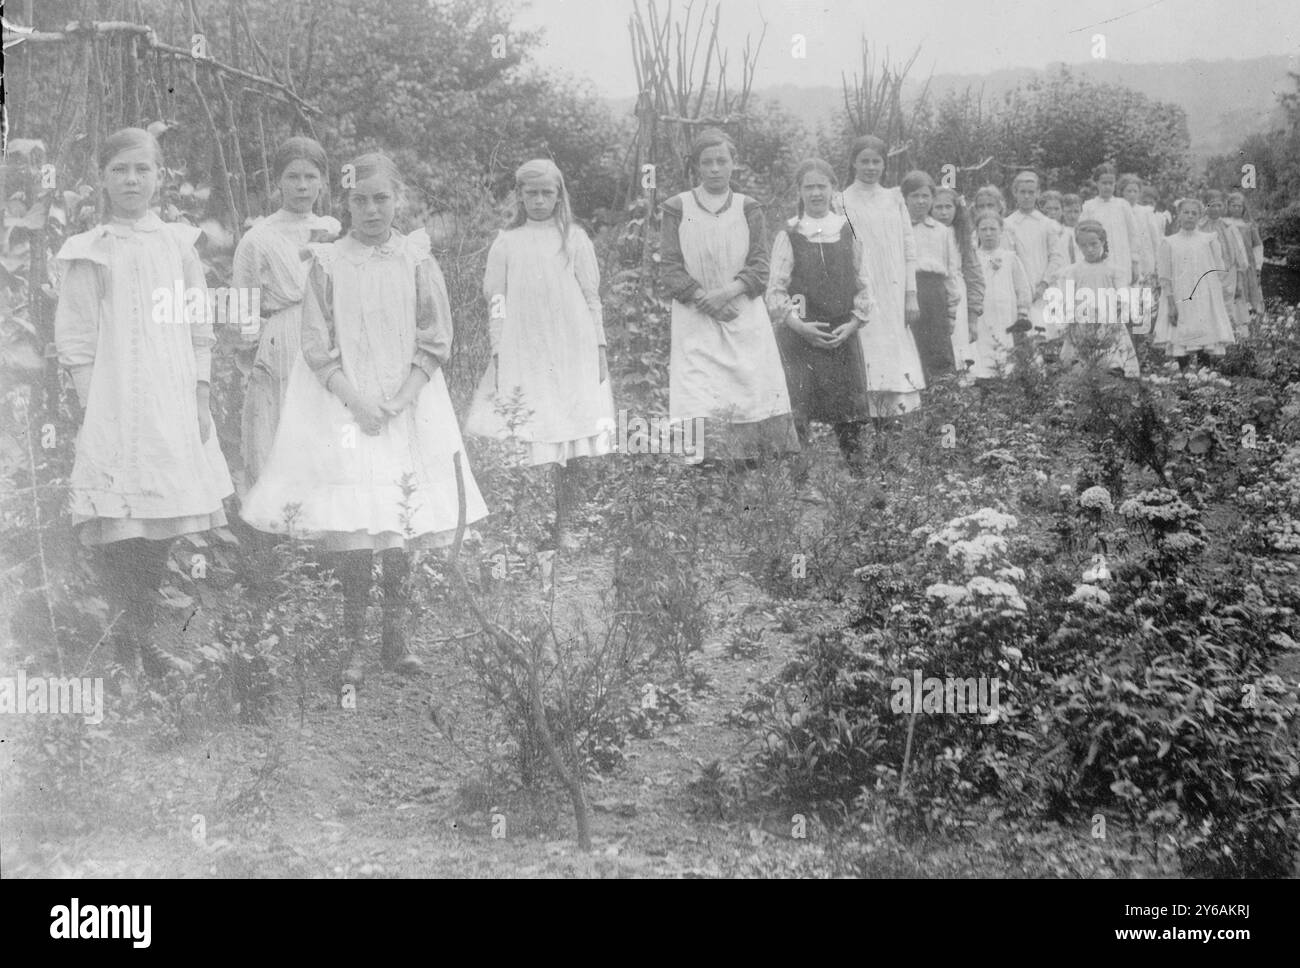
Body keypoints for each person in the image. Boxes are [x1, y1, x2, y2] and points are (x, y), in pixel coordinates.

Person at [241, 153, 489, 686]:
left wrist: (399, 400)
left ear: (398, 201)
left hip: (408, 405)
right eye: (359, 200)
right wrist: (355, 401)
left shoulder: (415, 258)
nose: (371, 210)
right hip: (345, 408)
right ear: (345, 204)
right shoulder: (327, 263)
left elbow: (436, 336)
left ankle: (396, 641)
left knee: (400, 520)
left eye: (381, 199)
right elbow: (315, 343)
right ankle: (353, 643)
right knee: (355, 522)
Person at [54, 127, 233, 677]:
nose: (131, 180)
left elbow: (199, 326)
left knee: (160, 522)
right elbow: (78, 339)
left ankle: (144, 637)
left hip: (170, 400)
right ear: (102, 179)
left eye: (142, 170)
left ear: (159, 177)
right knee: (118, 524)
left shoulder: (178, 245)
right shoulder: (91, 249)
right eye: (119, 171)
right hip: (112, 405)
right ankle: (124, 648)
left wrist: (201, 396)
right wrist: (94, 408)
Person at [465, 159, 614, 548]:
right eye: (531, 193)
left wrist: (599, 346)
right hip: (524, 346)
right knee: (529, 433)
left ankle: (564, 526)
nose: (539, 200)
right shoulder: (507, 242)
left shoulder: (574, 238)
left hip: (571, 345)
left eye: (547, 192)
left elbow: (591, 296)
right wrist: (498, 349)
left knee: (571, 432)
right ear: (519, 196)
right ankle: (524, 527)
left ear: (559, 195)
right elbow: (496, 299)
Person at [659, 128, 799, 464]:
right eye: (706, 162)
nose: (714, 169)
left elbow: (760, 266)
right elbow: (670, 267)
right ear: (696, 166)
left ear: (734, 163)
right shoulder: (677, 207)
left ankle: (747, 469)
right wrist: (702, 298)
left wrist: (726, 293)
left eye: (722, 161)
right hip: (696, 319)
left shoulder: (748, 208)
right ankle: (704, 472)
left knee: (749, 390)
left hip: (742, 315)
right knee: (697, 394)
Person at [232, 136, 340, 492]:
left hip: (327, 336)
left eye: (311, 177)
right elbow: (244, 310)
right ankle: (277, 532)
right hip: (282, 339)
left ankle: (324, 532)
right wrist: (256, 354)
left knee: (325, 429)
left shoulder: (334, 231)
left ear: (323, 181)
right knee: (278, 429)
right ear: (278, 181)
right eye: (293, 177)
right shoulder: (258, 239)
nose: (302, 186)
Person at [767, 158, 875, 469]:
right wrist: (799, 327)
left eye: (821, 186)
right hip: (799, 337)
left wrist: (853, 323)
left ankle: (858, 481)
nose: (815, 193)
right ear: (799, 192)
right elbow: (776, 290)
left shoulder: (847, 230)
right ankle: (801, 485)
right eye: (808, 187)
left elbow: (864, 282)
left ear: (833, 189)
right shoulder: (789, 232)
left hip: (840, 334)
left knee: (849, 416)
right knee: (798, 411)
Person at [838, 135, 925, 423]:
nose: (871, 167)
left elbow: (909, 246)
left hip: (895, 288)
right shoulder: (842, 200)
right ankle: (869, 419)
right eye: (864, 161)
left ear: (884, 165)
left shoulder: (894, 198)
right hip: (863, 287)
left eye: (877, 161)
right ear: (853, 163)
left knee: (894, 347)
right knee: (868, 346)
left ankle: (894, 420)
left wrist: (910, 293)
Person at [1153, 198, 1236, 364]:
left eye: (1194, 213)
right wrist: (1170, 303)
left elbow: (1218, 268)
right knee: (1181, 333)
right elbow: (1165, 276)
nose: (1190, 216)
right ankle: (1184, 375)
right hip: (1180, 295)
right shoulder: (1169, 242)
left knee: (1204, 332)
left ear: (1200, 216)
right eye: (1186, 212)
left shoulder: (1209, 239)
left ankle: (1204, 373)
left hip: (1204, 293)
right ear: (1178, 215)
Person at [1057, 220, 1140, 377]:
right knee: (1080, 365)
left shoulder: (1114, 270)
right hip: (1082, 322)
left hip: (1108, 322)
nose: (1089, 249)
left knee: (1111, 361)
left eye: (1094, 244)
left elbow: (1123, 298)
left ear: (1102, 241)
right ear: (1079, 246)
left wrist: (1114, 321)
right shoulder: (1073, 271)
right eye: (1084, 245)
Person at [901, 170, 962, 380]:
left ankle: (942, 403)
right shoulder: (898, 227)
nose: (920, 201)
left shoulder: (942, 231)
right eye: (914, 196)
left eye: (925, 196)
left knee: (938, 352)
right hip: (905, 292)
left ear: (932, 199)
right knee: (910, 349)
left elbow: (951, 273)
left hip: (934, 296)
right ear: (905, 198)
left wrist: (951, 311)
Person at [970, 210, 1031, 380]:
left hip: (1006, 313)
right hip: (981, 313)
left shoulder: (1010, 258)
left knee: (1005, 353)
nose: (988, 234)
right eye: (984, 229)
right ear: (977, 232)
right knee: (983, 355)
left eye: (993, 229)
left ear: (1001, 231)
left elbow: (1022, 287)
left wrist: (1022, 312)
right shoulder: (972, 258)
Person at [1005, 171, 1066, 338]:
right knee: (1026, 337)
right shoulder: (1008, 224)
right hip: (1021, 291)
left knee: (1050, 336)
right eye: (1022, 192)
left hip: (1045, 288)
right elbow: (1010, 261)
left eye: (1031, 192)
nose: (1026, 196)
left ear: (1038, 193)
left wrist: (1044, 284)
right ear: (1015, 193)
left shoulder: (1047, 224)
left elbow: (1056, 257)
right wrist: (1023, 290)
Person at [931, 186, 982, 381]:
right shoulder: (926, 231)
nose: (944, 213)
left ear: (956, 209)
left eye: (948, 207)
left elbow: (975, 275)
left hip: (956, 294)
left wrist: (973, 316)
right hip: (932, 293)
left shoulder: (961, 235)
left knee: (959, 344)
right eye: (938, 208)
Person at [1199, 189, 1250, 337]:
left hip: (1228, 274)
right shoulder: (1200, 227)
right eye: (1211, 205)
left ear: (1223, 207)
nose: (1215, 209)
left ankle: (1229, 339)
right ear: (1205, 206)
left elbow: (1240, 254)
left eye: (1219, 205)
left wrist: (1240, 279)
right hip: (1206, 274)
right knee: (1208, 306)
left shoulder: (1229, 227)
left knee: (1228, 305)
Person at [1081, 163, 1141, 284]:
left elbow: (1133, 235)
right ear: (1097, 183)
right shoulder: (1089, 206)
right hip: (1099, 262)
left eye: (1111, 183)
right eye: (1104, 183)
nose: (1107, 187)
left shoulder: (1123, 205)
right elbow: (1083, 236)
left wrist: (1135, 262)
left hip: (1122, 260)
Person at [1225, 190, 1264, 321]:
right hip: (1230, 264)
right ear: (1228, 207)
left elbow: (1257, 246)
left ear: (1243, 208)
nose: (1236, 209)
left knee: (1249, 288)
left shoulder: (1249, 225)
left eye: (1239, 206)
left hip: (1247, 264)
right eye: (1233, 205)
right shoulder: (1224, 223)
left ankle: (1250, 316)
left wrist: (1258, 265)